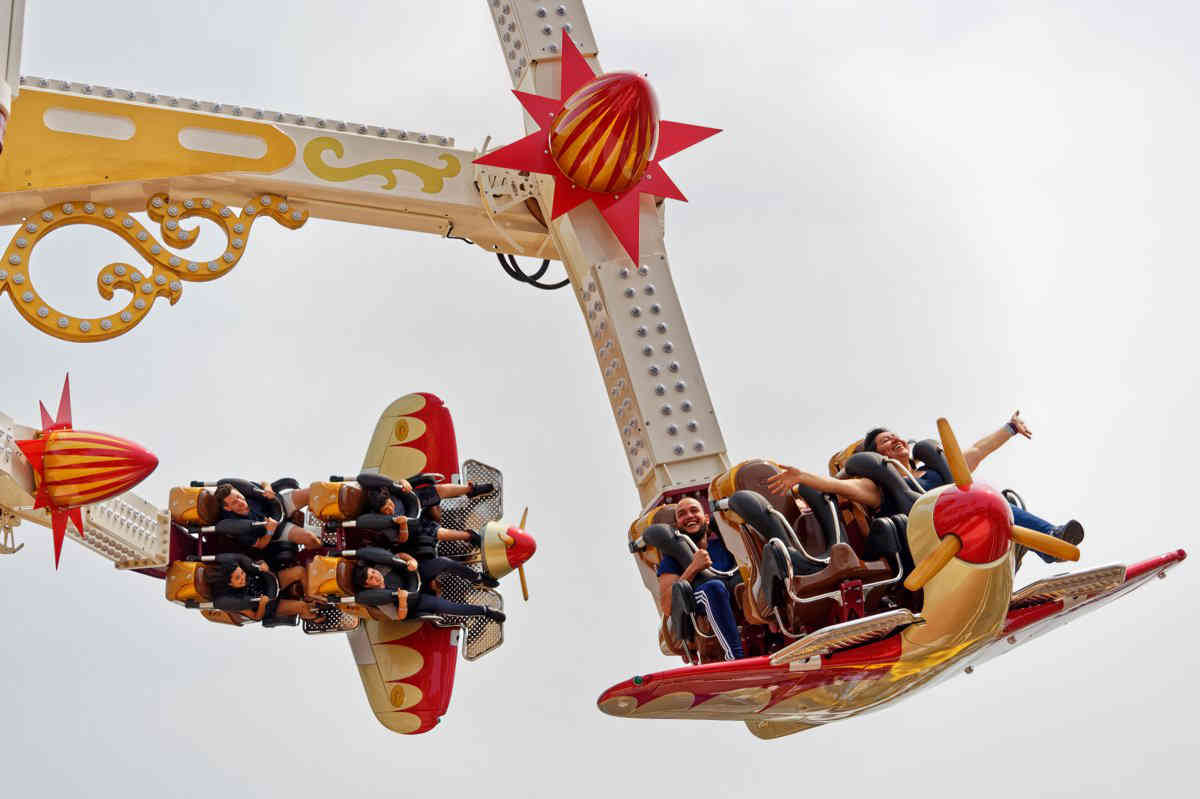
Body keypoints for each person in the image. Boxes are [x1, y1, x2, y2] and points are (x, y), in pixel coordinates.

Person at [767, 411, 1083, 565]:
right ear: (878, 455)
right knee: (984, 507)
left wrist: (1010, 428)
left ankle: (1051, 541)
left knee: (993, 501)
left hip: (967, 521)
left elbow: (976, 450)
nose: (893, 440)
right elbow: (839, 486)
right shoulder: (880, 483)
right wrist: (803, 477)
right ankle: (1047, 545)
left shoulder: (936, 467)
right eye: (883, 442)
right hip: (927, 536)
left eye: (894, 435)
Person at [655, 497, 744, 661]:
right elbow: (667, 605)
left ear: (707, 519)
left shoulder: (725, 545)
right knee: (713, 588)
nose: (689, 516)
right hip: (695, 605)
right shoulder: (671, 559)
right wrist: (693, 568)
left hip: (730, 594)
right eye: (682, 514)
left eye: (694, 510)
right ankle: (734, 657)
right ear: (677, 526)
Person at [363, 487, 499, 589]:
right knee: (442, 538)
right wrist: (403, 524)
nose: (390, 510)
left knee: (436, 490)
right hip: (414, 533)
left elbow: (405, 486)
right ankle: (471, 543)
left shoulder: (394, 494)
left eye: (389, 505)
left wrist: (404, 484)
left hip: (418, 513)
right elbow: (401, 542)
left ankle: (470, 489)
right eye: (386, 511)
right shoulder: (385, 526)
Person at [350, 558, 505, 623]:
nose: (375, 576)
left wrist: (411, 560)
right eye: (370, 579)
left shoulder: (381, 568)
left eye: (373, 573)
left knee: (444, 562)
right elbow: (398, 617)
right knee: (444, 606)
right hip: (416, 599)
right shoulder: (380, 599)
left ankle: (477, 578)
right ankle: (485, 611)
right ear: (368, 586)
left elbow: (398, 556)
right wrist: (403, 602)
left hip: (417, 575)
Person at [203, 553, 319, 622]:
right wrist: (262, 604)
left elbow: (257, 564)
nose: (243, 577)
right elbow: (256, 617)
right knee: (303, 607)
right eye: (238, 578)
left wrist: (263, 564)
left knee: (300, 571)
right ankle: (309, 613)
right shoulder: (234, 600)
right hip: (270, 603)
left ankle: (310, 597)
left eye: (242, 573)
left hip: (268, 581)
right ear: (230, 584)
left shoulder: (243, 572)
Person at [214, 481, 324, 551]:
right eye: (234, 503)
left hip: (280, 503)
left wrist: (268, 488)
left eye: (239, 497)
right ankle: (323, 551)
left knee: (315, 491)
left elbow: (263, 483)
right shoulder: (235, 527)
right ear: (227, 508)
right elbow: (261, 545)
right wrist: (270, 531)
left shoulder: (247, 492)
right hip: (277, 529)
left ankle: (330, 516)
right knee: (310, 539)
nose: (240, 502)